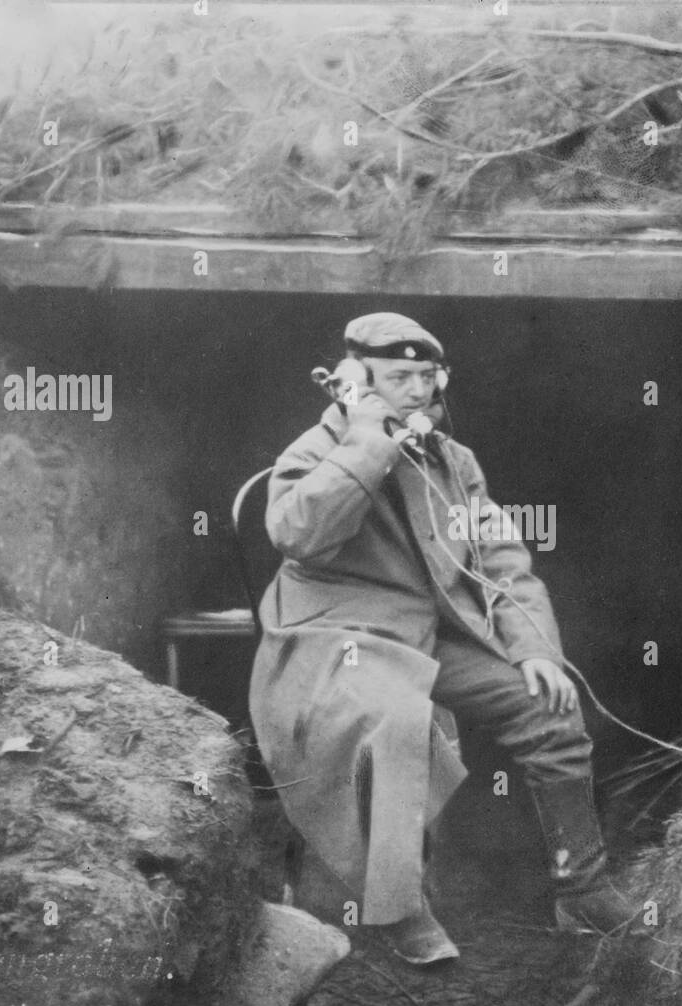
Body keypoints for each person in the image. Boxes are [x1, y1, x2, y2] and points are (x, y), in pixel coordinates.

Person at [248, 312, 642, 965]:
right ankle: (403, 908)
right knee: (399, 719)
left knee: (550, 706)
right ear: (357, 380)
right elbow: (297, 534)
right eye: (395, 377)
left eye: (424, 376)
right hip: (333, 640)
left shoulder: (453, 464)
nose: (414, 389)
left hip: (428, 637)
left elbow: (503, 562)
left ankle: (584, 889)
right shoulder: (317, 450)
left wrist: (536, 649)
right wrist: (368, 440)